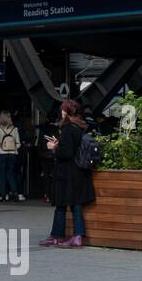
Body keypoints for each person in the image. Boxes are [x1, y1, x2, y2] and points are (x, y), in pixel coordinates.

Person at [41, 99, 95, 248]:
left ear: (66, 111)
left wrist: (53, 147)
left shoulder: (68, 128)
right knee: (76, 205)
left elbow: (67, 152)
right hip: (78, 172)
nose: (61, 111)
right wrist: (60, 144)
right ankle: (77, 236)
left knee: (60, 205)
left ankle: (56, 236)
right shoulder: (79, 127)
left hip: (66, 173)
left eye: (63, 109)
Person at [0, 111, 23, 203]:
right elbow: (19, 143)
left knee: (1, 174)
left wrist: (0, 149)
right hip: (13, 154)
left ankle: (3, 195)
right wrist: (12, 149)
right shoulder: (15, 129)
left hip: (1, 154)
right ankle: (15, 192)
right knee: (10, 173)